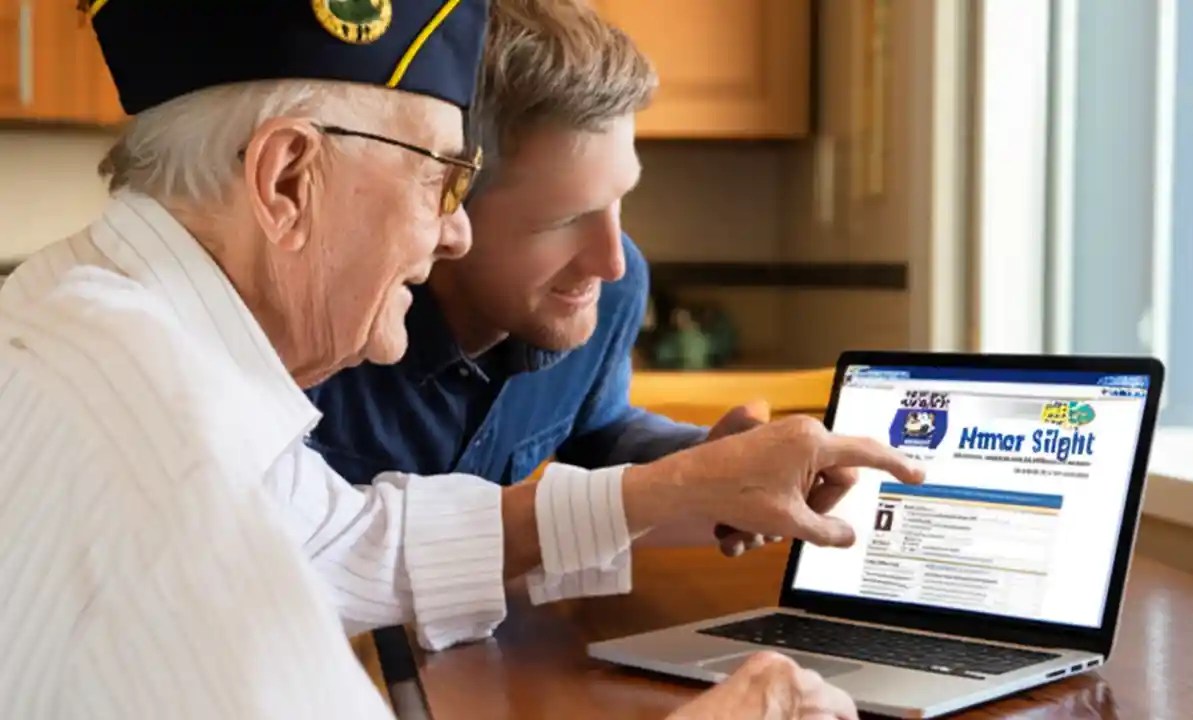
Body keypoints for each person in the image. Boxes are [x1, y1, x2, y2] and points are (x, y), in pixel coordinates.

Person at [0, 1, 921, 719]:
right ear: (288, 181)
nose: (452, 231)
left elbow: (354, 540)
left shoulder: (115, 334)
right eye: (442, 174)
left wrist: (682, 486)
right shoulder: (164, 445)